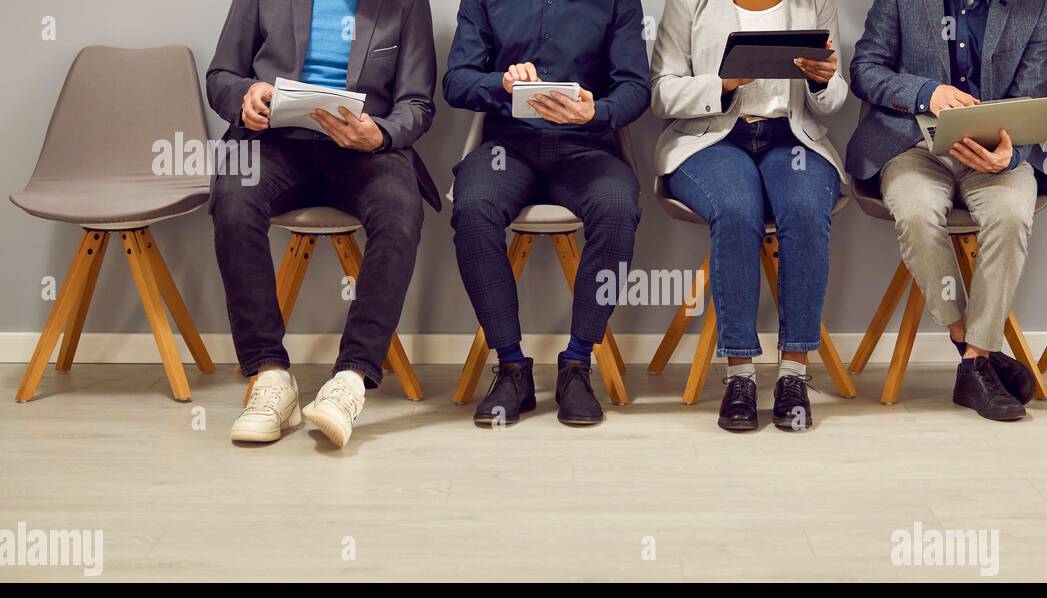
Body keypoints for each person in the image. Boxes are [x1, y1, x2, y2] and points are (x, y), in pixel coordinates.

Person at [207, 0, 439, 447]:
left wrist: (383, 133)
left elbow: (417, 102)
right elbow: (221, 76)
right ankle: (270, 378)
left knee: (400, 212)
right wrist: (245, 96)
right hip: (274, 142)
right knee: (234, 201)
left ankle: (350, 380)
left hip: (364, 150)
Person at [443, 0, 650, 427]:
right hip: (508, 147)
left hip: (586, 146)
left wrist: (598, 111)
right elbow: (455, 81)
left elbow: (635, 86)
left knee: (617, 207)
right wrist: (501, 83)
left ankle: (577, 365)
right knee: (474, 205)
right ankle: (511, 367)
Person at [846, 0, 1047, 421]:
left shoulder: (1033, 6)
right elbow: (865, 69)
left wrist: (1010, 158)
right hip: (911, 145)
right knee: (918, 213)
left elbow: (1031, 95)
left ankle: (975, 361)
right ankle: (972, 350)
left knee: (1013, 215)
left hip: (995, 154)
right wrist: (926, 94)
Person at [651, 0, 847, 431]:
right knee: (737, 212)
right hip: (713, 139)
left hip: (790, 138)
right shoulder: (689, 3)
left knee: (805, 211)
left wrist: (822, 82)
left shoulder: (815, 3)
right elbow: (661, 91)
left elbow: (832, 101)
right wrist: (721, 84)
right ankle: (739, 374)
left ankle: (793, 373)